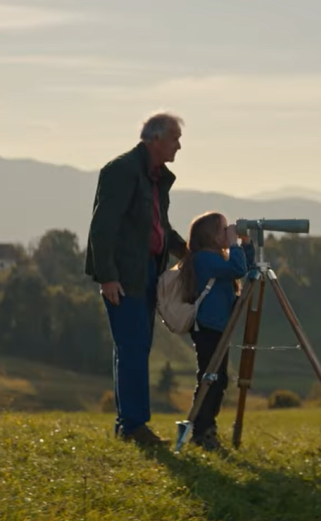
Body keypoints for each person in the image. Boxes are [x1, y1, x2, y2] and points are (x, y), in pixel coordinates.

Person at [84, 112, 188, 446]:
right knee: (131, 346)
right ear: (155, 139)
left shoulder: (156, 178)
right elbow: (102, 228)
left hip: (147, 272)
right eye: (174, 139)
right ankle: (133, 427)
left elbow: (160, 229)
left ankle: (129, 425)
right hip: (125, 276)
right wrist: (107, 277)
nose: (179, 146)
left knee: (136, 346)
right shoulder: (122, 171)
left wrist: (190, 255)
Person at [176, 211, 255, 450]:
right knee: (211, 378)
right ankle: (201, 430)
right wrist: (234, 243)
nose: (227, 231)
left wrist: (246, 244)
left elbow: (246, 268)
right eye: (223, 229)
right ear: (210, 235)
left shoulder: (214, 259)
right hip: (208, 327)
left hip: (218, 326)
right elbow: (238, 269)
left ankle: (205, 428)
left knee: (217, 379)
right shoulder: (204, 260)